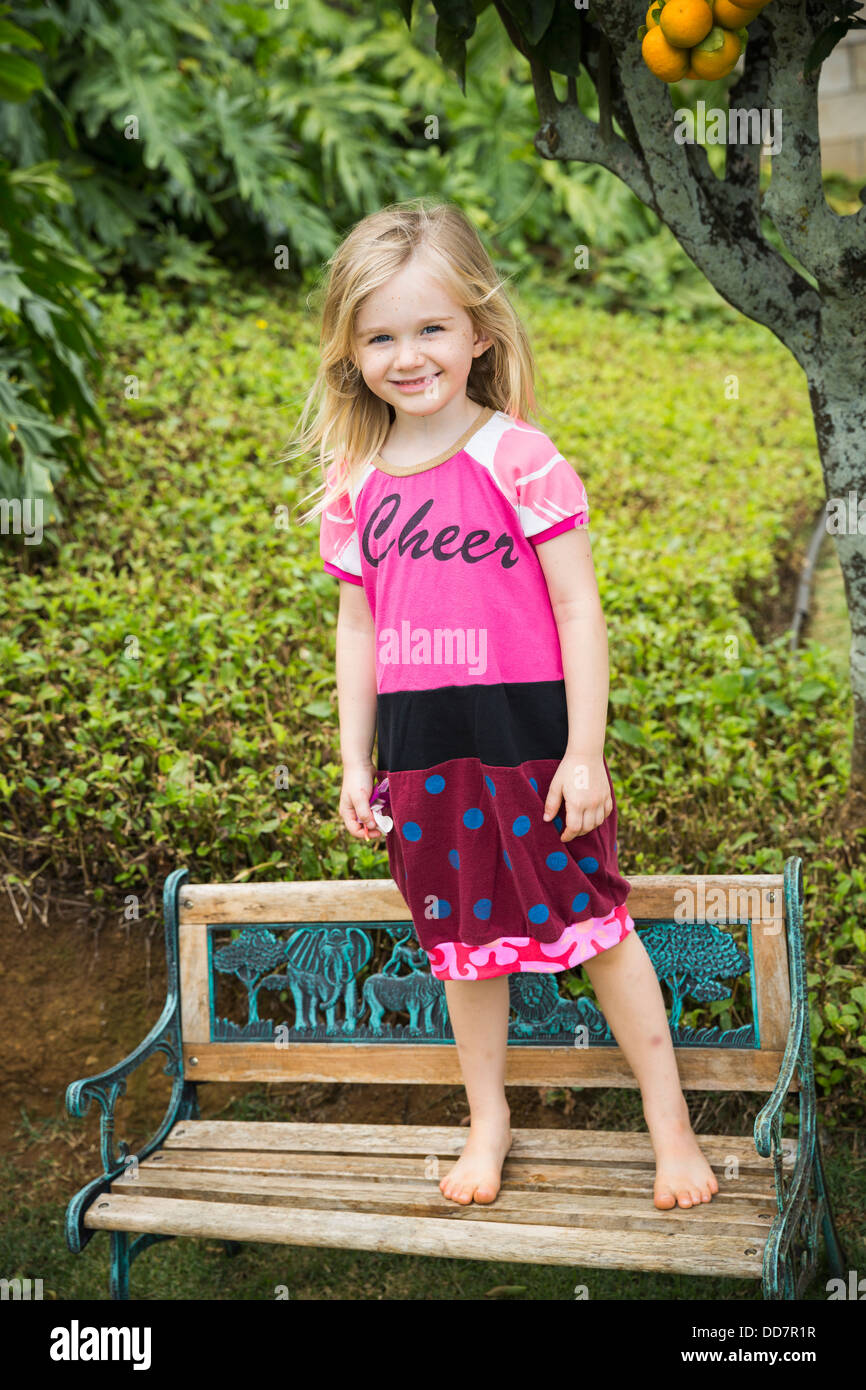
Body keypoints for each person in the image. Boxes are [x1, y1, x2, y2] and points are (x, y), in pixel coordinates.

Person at [290, 198, 719, 1213]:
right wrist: (356, 762)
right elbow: (358, 630)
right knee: (459, 946)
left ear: (477, 331)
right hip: (422, 753)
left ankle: (671, 1131)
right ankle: (487, 1120)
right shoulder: (355, 484)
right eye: (381, 333)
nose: (408, 353)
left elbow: (577, 607)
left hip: (529, 743)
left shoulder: (517, 456)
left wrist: (584, 751)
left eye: (430, 327)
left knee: (595, 928)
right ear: (350, 350)